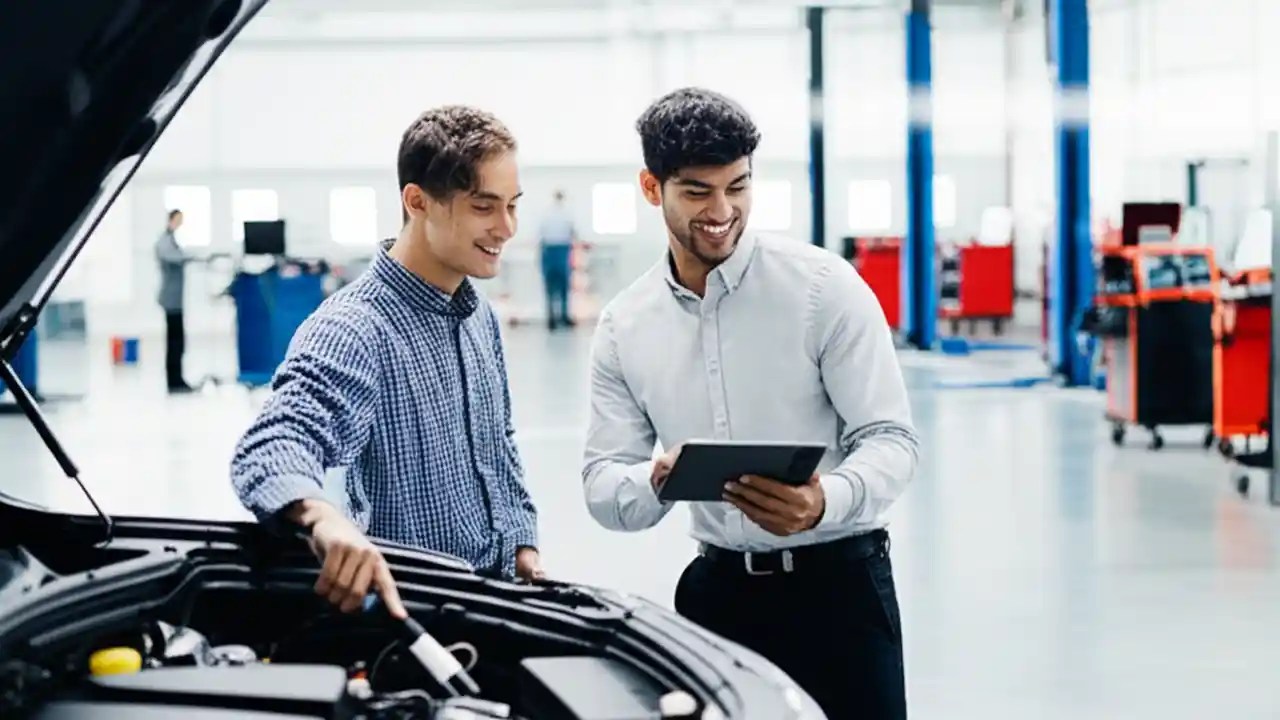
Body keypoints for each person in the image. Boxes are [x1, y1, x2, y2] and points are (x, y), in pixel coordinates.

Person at [580, 87, 919, 720]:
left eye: (738, 187)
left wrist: (825, 501)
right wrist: (656, 479)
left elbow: (892, 440)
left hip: (842, 593)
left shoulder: (823, 290)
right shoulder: (626, 325)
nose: (722, 210)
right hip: (719, 602)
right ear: (652, 188)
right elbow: (603, 487)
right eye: (697, 192)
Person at [231, 106, 543, 621]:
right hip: (413, 616)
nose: (507, 227)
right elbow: (272, 444)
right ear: (417, 201)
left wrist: (519, 542)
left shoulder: (478, 316)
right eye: (484, 207)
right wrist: (322, 518)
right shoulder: (354, 329)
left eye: (513, 205)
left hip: (496, 601)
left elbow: (498, 443)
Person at [155, 209, 194, 393]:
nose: (180, 223)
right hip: (170, 301)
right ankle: (174, 381)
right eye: (178, 220)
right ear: (171, 220)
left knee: (178, 341)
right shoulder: (164, 241)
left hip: (176, 300)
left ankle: (178, 378)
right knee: (174, 342)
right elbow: (172, 257)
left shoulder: (172, 240)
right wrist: (190, 256)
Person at [538, 189, 577, 330]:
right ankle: (563, 317)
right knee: (563, 288)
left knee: (550, 289)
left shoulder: (546, 214)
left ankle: (552, 319)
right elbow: (573, 233)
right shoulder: (567, 214)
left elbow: (540, 236)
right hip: (561, 251)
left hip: (549, 251)